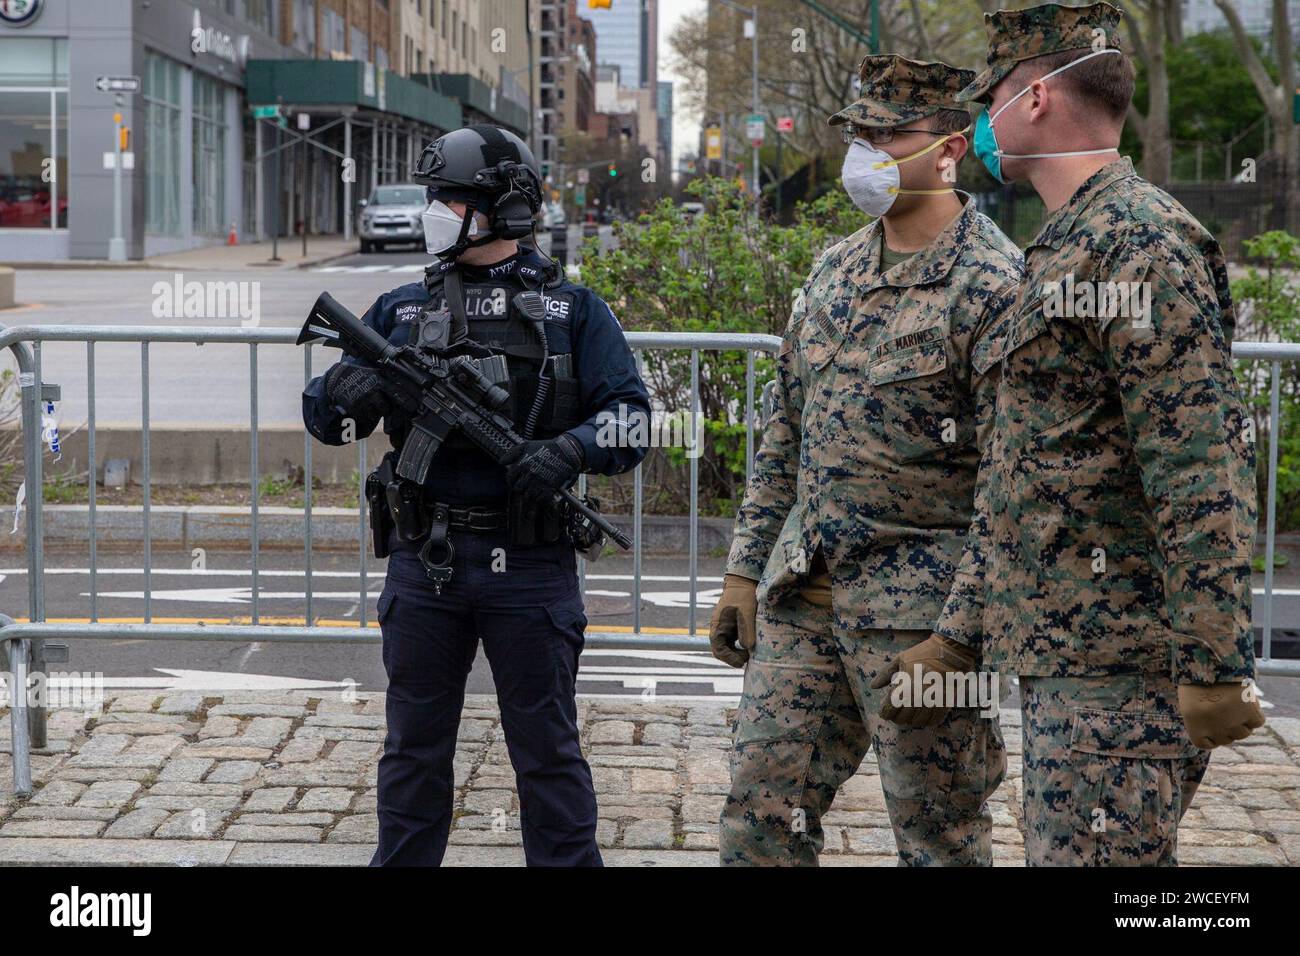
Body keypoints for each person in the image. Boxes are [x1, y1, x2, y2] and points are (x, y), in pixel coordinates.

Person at [946, 0, 1264, 866]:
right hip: (1066, 657)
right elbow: (1031, 461)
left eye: (990, 98)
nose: (981, 123)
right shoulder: (1066, 242)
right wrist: (960, 628)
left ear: (1037, 98)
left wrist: (1210, 660)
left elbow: (1200, 466)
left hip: (1120, 674)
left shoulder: (1140, 243)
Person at [302, 125, 650, 866]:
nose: (435, 211)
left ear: (506, 210)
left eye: (452, 199)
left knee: (548, 754)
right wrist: (343, 387)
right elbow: (325, 419)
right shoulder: (400, 309)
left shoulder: (575, 311)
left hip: (529, 565)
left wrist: (568, 451)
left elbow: (633, 419)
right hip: (425, 563)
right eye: (435, 198)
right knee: (413, 751)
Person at [711, 55, 1024, 866]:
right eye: (860, 134)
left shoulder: (994, 284)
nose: (868, 153)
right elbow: (786, 427)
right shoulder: (834, 270)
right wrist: (745, 572)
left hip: (921, 620)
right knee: (757, 822)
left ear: (950, 148)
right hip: (804, 599)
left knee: (940, 837)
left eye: (890, 135)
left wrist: (960, 637)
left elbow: (1013, 484)